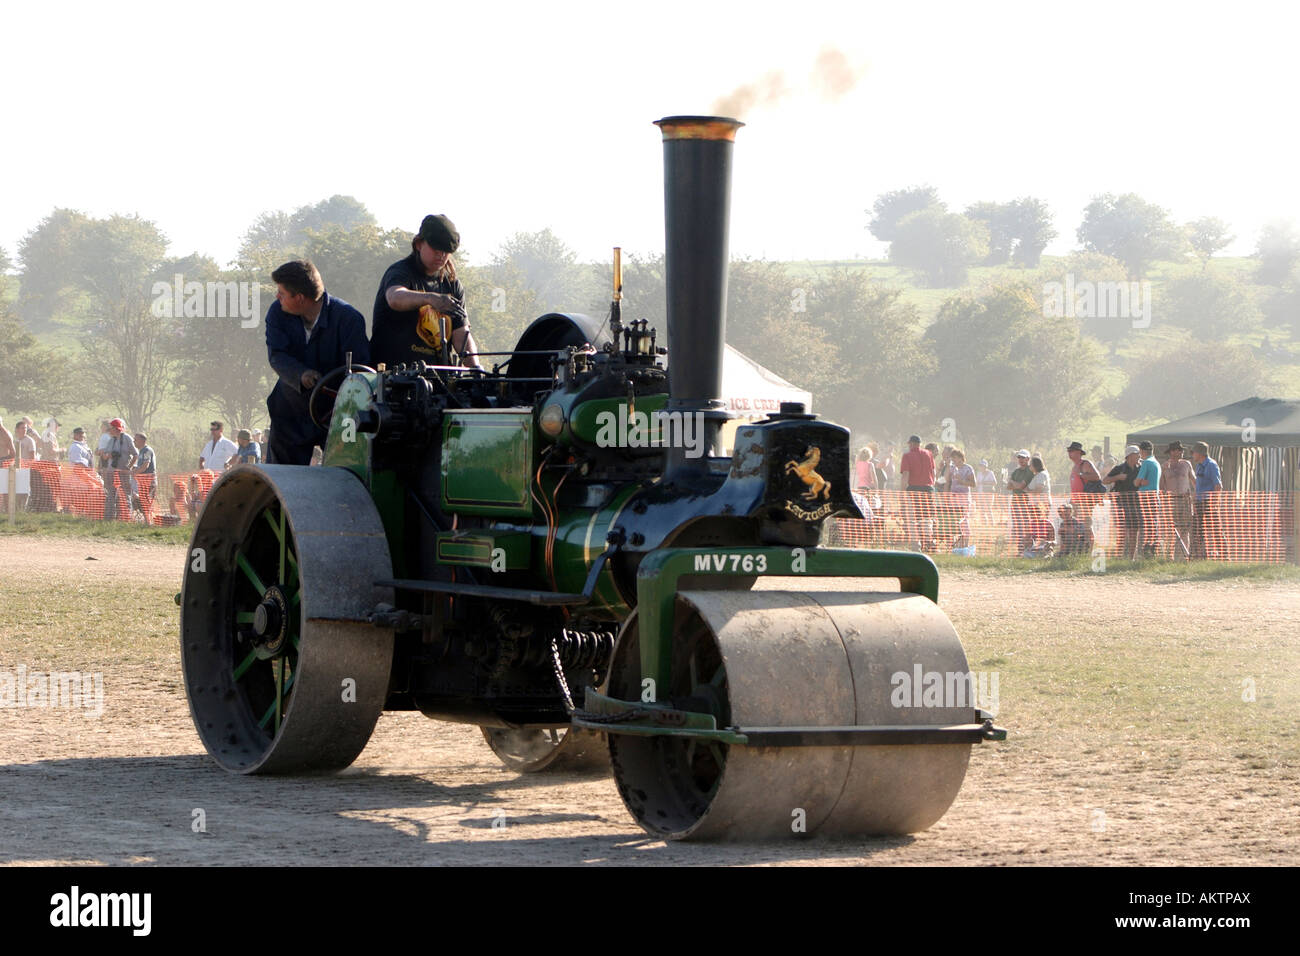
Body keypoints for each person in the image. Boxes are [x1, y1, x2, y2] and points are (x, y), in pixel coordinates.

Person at [265, 259, 371, 466]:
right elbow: (277, 355)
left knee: (345, 476)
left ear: (300, 298)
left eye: (282, 293)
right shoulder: (277, 313)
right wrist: (301, 374)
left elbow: (360, 373)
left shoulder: (349, 320)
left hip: (336, 417)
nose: (278, 297)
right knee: (285, 481)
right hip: (290, 413)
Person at [370, 214, 482, 369]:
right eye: (436, 248)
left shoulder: (453, 285)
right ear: (418, 244)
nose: (441, 255)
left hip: (438, 382)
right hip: (394, 380)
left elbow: (461, 334)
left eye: (446, 251)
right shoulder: (401, 272)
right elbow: (394, 298)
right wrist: (431, 299)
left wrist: (476, 369)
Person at [1102, 445, 1142, 559]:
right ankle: (1119, 555)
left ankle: (1131, 557)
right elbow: (1105, 480)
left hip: (1136, 503)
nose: (1139, 456)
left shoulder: (1140, 468)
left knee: (1134, 530)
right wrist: (1118, 477)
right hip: (1121, 504)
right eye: (1136, 454)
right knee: (1122, 530)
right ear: (1129, 456)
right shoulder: (1119, 468)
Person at [899, 435, 936, 550]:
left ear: (911, 444)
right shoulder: (929, 454)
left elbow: (905, 475)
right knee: (926, 517)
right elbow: (934, 473)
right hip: (928, 489)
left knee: (912, 518)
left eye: (909, 444)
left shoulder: (907, 456)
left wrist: (902, 492)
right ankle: (929, 543)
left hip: (913, 490)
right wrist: (931, 486)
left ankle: (916, 544)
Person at [1160, 440, 1194, 560]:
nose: (1181, 452)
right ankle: (1172, 556)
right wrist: (1163, 502)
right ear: (1172, 452)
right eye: (1178, 450)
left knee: (1185, 529)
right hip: (1171, 500)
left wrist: (1195, 496)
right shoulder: (1165, 466)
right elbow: (1161, 486)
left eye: (1181, 450)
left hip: (1185, 499)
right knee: (1172, 529)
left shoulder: (1187, 464)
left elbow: (1194, 481)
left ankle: (1185, 556)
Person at [1190, 441, 1223, 560]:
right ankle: (1200, 556)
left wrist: (1214, 504)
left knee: (1215, 530)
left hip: (1209, 502)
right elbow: (1198, 485)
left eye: (1193, 452)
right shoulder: (1199, 465)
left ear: (1200, 453)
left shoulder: (1211, 465)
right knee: (1198, 530)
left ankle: (1223, 555)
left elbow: (1218, 486)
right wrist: (1194, 498)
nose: (1192, 455)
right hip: (1199, 503)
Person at [101, 419, 136, 521]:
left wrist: (129, 468)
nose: (110, 431)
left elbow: (135, 455)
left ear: (116, 429)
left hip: (123, 472)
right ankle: (109, 517)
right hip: (111, 471)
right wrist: (109, 455)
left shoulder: (127, 439)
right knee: (110, 494)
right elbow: (104, 457)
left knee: (126, 495)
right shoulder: (111, 440)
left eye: (111, 429)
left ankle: (127, 517)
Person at [1134, 440, 1162, 558]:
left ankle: (1145, 552)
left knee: (1145, 526)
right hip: (1154, 498)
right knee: (1153, 525)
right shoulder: (1156, 462)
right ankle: (1152, 551)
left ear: (1142, 451)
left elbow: (1136, 482)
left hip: (1146, 499)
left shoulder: (1146, 463)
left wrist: (1139, 482)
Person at [1005, 449, 1034, 555]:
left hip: (1026, 503)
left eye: (1023, 457)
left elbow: (1021, 486)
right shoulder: (1016, 471)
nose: (1021, 459)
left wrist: (1013, 482)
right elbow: (1008, 487)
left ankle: (1028, 549)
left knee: (1026, 526)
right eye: (1019, 457)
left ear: (1028, 459)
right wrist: (1014, 484)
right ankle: (1021, 550)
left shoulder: (1029, 471)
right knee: (1018, 527)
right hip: (1015, 503)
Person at [131, 432, 156, 518]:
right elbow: (140, 466)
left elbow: (145, 465)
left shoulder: (147, 450)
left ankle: (150, 521)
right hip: (143, 481)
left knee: (146, 501)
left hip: (149, 481)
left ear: (142, 440)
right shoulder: (141, 451)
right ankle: (147, 520)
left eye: (135, 440)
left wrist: (134, 472)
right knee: (143, 501)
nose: (134, 441)